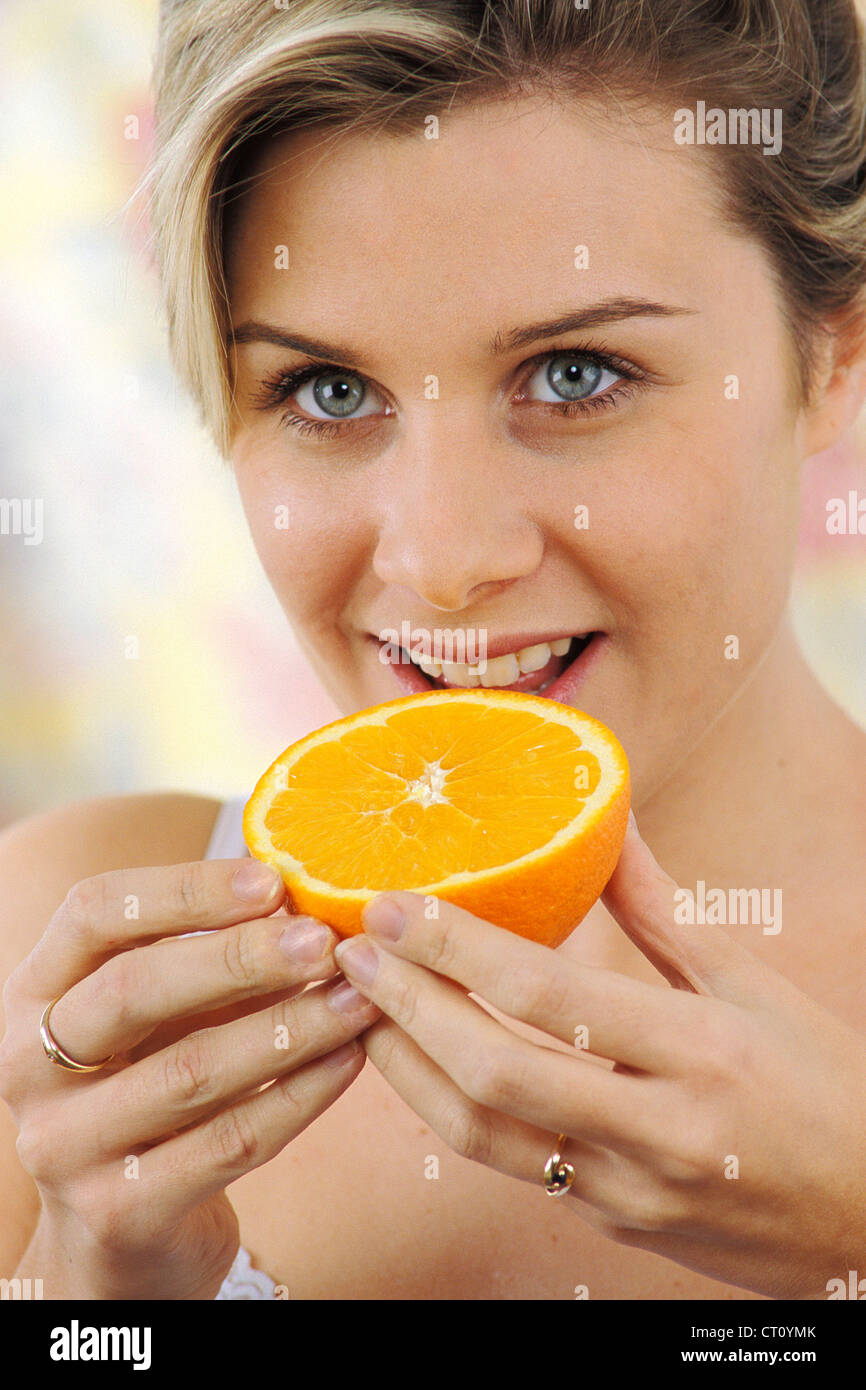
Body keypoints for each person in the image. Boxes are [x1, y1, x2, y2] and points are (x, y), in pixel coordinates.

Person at [2, 0, 866, 1301]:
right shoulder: (65, 975)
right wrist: (96, 1303)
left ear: (835, 349)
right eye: (325, 391)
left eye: (576, 374)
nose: (440, 556)